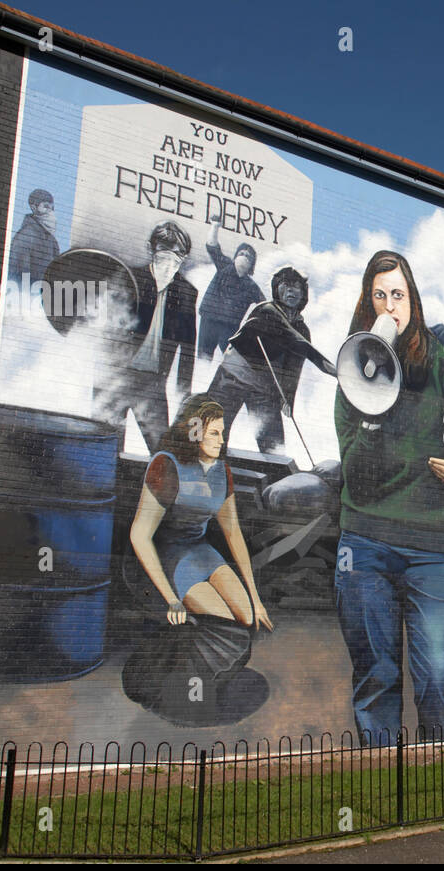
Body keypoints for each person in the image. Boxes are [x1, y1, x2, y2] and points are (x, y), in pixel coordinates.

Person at [334, 250, 444, 743]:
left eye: (397, 295)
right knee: (377, 678)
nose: (389, 306)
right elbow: (355, 476)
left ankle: (437, 795)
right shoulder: (354, 366)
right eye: (379, 296)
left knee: (439, 679)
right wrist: (371, 410)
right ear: (367, 303)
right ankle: (384, 799)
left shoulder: (442, 365)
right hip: (365, 542)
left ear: (412, 301)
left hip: (428, 548)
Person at [122, 394, 273, 723]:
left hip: (200, 549)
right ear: (193, 431)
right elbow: (139, 535)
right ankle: (183, 691)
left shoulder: (221, 471)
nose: (222, 439)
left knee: (246, 617)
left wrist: (256, 598)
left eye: (223, 432)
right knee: (225, 625)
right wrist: (172, 599)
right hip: (169, 554)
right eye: (214, 433)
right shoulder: (166, 465)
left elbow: (232, 533)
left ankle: (212, 679)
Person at [93, 221, 199, 452]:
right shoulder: (130, 278)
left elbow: (188, 348)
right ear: (151, 248)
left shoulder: (187, 292)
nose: (170, 256)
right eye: (164, 247)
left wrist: (184, 395)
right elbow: (107, 329)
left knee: (162, 455)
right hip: (116, 378)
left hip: (152, 384)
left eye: (178, 252)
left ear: (185, 257)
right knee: (104, 449)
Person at [207, 265, 334, 453]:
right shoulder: (266, 310)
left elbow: (294, 367)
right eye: (285, 285)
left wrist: (288, 399)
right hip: (232, 377)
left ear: (303, 293)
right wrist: (334, 370)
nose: (290, 290)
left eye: (296, 286)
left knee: (273, 446)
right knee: (212, 434)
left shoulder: (302, 329)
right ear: (277, 289)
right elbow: (302, 346)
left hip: (264, 388)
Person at [197, 213, 266, 361]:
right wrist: (215, 226)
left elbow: (264, 306)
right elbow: (212, 246)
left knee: (231, 361)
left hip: (230, 326)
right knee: (203, 357)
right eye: (241, 253)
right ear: (235, 256)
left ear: (251, 265)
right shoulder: (224, 266)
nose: (244, 257)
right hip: (209, 319)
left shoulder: (251, 286)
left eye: (248, 256)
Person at [7, 188, 60, 288]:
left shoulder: (51, 240)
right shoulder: (25, 236)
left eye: (52, 208)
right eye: (46, 207)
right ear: (34, 207)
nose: (50, 212)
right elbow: (18, 275)